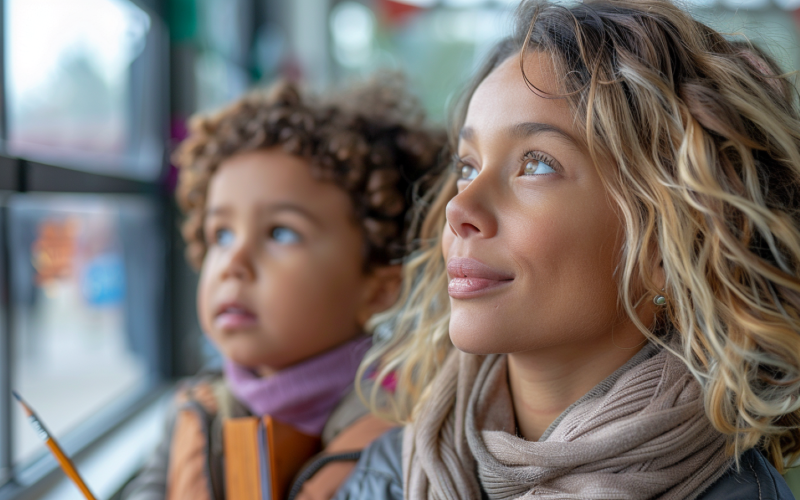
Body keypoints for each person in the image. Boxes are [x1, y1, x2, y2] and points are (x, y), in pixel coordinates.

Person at [334, 1, 800, 498]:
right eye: (467, 166)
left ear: (672, 239)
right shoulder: (387, 478)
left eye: (535, 165)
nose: (459, 207)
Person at [121, 76, 444, 500]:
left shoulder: (407, 434)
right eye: (220, 235)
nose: (233, 263)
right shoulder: (192, 412)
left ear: (378, 290)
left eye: (281, 233)